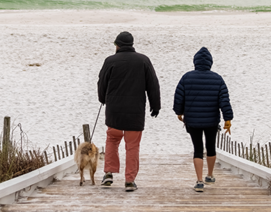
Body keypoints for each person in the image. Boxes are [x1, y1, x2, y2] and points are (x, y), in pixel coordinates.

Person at [97, 31, 161, 192]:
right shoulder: (143, 60)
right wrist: (156, 105)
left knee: (112, 140)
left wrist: (103, 99)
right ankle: (130, 181)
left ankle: (109, 173)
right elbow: (153, 85)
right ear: (132, 45)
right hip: (135, 111)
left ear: (117, 45)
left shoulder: (110, 61)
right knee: (132, 146)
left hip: (114, 111)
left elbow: (101, 82)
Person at [173, 46, 233, 192]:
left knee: (198, 149)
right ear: (210, 63)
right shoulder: (218, 79)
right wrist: (228, 119)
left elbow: (179, 97)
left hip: (192, 121)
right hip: (211, 121)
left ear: (195, 62)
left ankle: (199, 181)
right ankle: (210, 175)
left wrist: (179, 112)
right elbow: (224, 101)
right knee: (211, 147)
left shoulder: (186, 77)